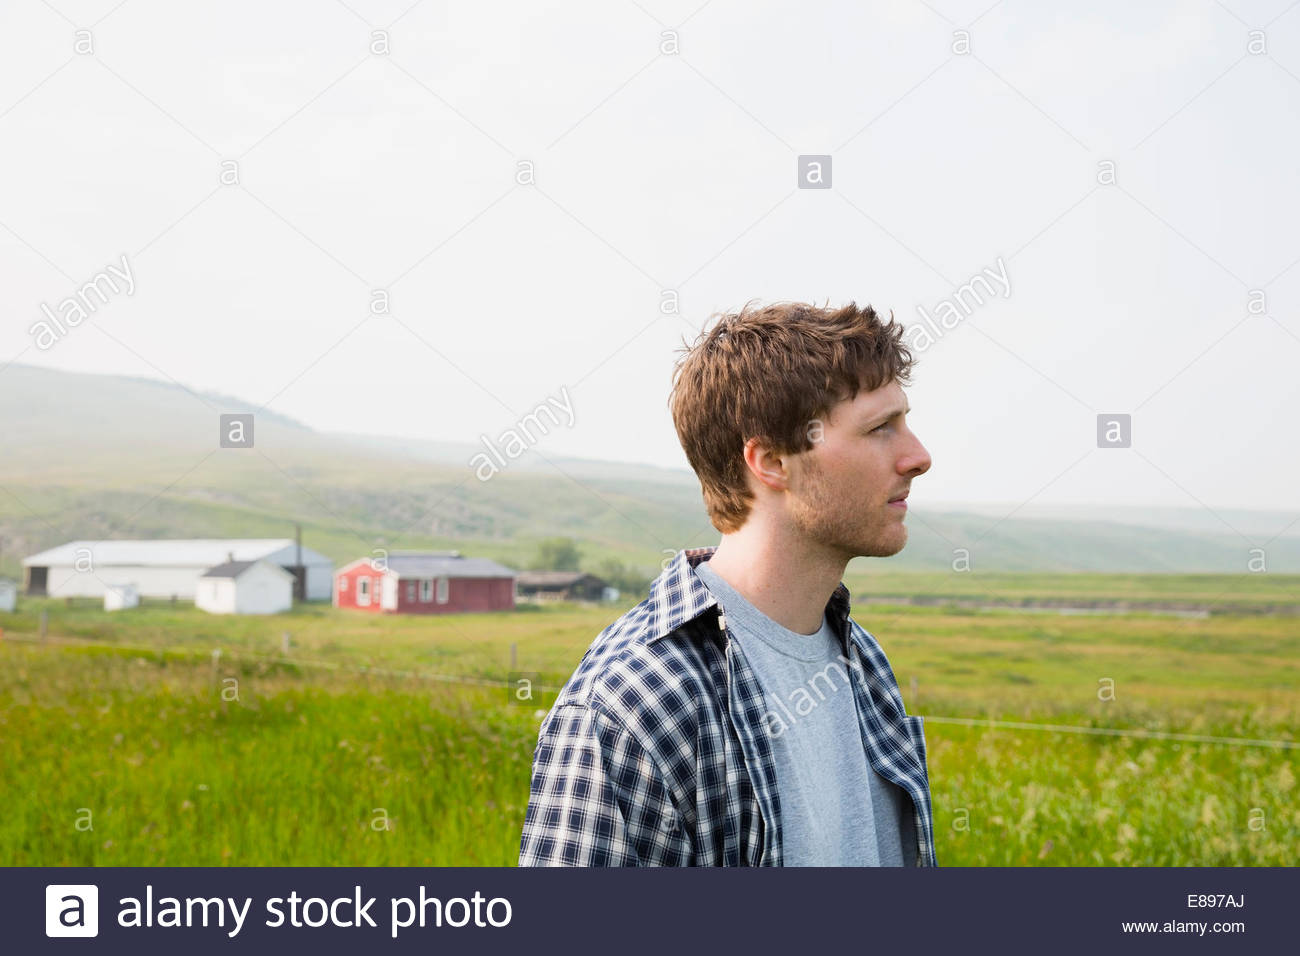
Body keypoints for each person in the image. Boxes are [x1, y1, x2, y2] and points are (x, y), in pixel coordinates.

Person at [518, 300, 936, 866]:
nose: (918, 456)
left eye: (904, 421)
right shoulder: (634, 703)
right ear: (771, 462)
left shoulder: (864, 663)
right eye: (880, 428)